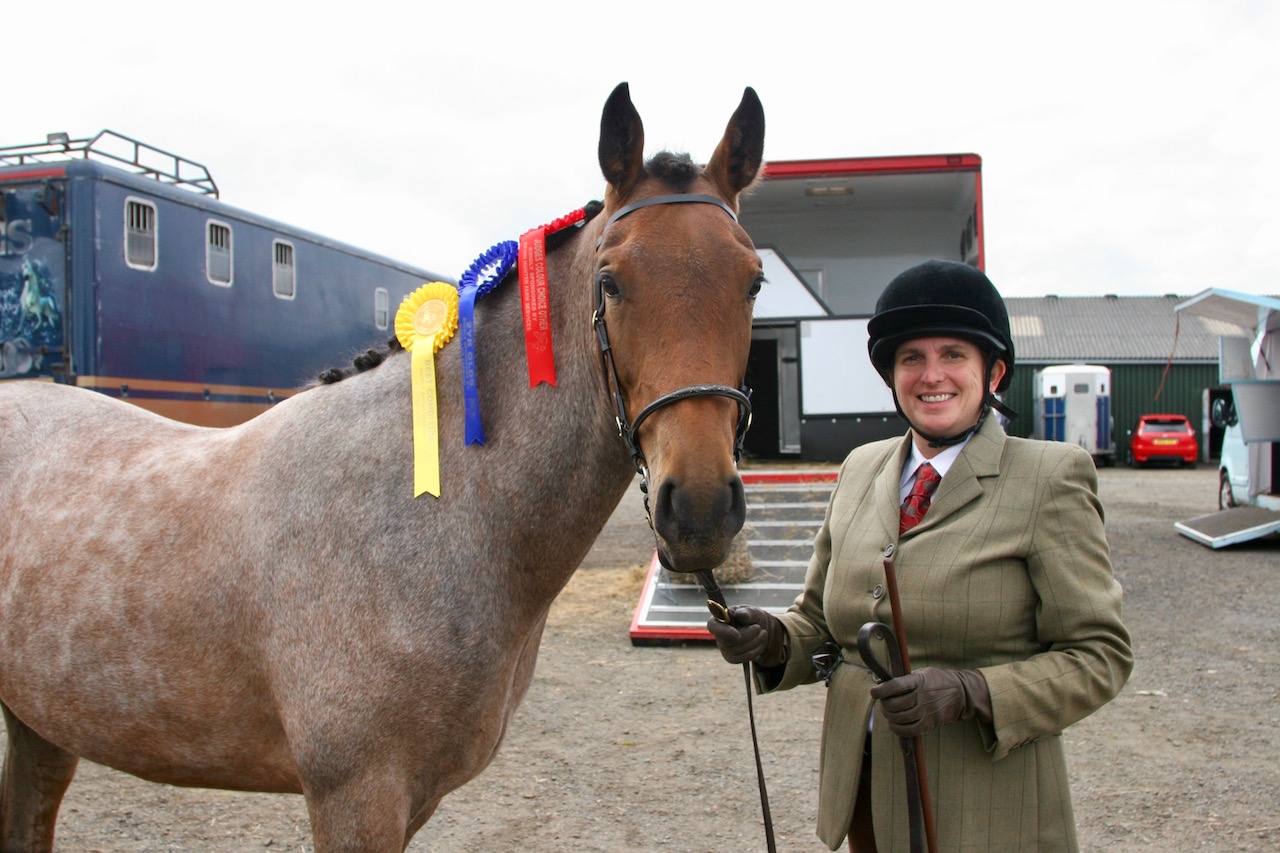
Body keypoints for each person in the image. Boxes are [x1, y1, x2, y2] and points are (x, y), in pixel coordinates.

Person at [707, 260, 1133, 852]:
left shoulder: (1049, 478)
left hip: (987, 815)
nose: (932, 375)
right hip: (867, 807)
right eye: (912, 358)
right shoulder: (860, 468)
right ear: (892, 375)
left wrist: (969, 692)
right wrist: (774, 639)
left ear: (995, 372)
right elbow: (823, 625)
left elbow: (1100, 656)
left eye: (954, 354)